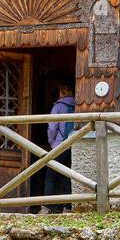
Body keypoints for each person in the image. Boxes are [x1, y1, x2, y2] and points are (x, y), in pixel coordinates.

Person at [44, 83, 75, 211]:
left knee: (50, 176)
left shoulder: (58, 106)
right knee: (67, 176)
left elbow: (52, 128)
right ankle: (67, 207)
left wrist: (51, 143)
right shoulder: (77, 105)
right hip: (73, 145)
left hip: (59, 146)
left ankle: (47, 206)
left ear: (61, 93)